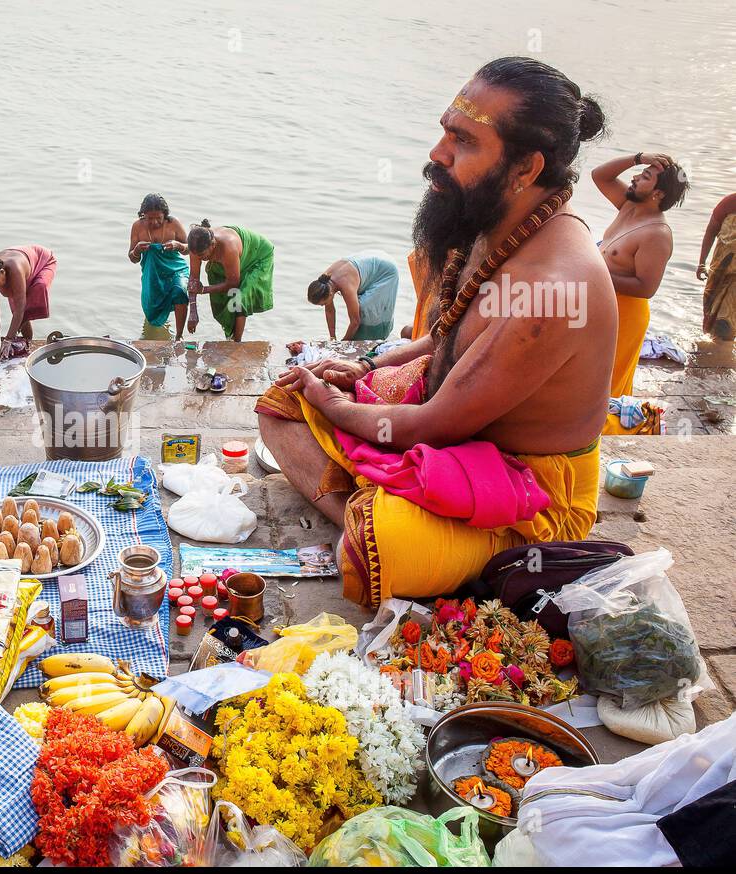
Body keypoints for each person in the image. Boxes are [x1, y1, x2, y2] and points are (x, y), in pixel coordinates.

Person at [256, 57, 615, 609]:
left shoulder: (555, 287)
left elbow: (434, 423)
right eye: (444, 131)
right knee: (281, 402)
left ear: (525, 167)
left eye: (463, 142)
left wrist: (335, 405)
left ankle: (380, 513)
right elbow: (450, 331)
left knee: (376, 544)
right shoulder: (494, 220)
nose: (436, 154)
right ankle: (388, 500)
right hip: (449, 425)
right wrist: (370, 368)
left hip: (526, 492)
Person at [591, 151, 688, 422]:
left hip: (626, 314)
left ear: (657, 194)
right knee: (584, 374)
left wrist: (595, 272)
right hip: (602, 304)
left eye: (645, 177)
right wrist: (639, 158)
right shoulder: (628, 206)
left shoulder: (656, 234)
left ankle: (600, 436)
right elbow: (600, 175)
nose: (634, 178)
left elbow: (646, 287)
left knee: (607, 382)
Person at [179, 220, 274, 341]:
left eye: (202, 255)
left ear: (213, 245)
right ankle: (229, 336)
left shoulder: (228, 247)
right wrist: (193, 313)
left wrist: (203, 290)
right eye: (197, 256)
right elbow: (193, 281)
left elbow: (233, 283)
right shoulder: (196, 248)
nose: (200, 259)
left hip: (257, 256)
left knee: (239, 298)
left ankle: (236, 343)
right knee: (222, 299)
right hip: (232, 260)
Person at [0, 245, 58, 359]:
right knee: (14, 305)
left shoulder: (16, 269)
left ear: (2, 272)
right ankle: (24, 341)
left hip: (43, 262)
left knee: (27, 305)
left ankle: (28, 343)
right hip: (19, 267)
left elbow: (20, 308)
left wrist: (8, 339)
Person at [128, 194, 189, 340]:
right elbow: (132, 258)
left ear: (165, 215)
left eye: (158, 218)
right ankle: (152, 334)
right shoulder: (137, 227)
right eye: (150, 218)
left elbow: (189, 249)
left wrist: (178, 245)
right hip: (152, 274)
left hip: (176, 270)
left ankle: (179, 336)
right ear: (143, 215)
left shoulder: (174, 223)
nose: (154, 222)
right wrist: (136, 250)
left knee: (180, 291)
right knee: (151, 309)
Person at [305, 251, 401, 341]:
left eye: (324, 303)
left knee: (364, 308)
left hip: (386, 272)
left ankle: (376, 338)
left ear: (330, 294)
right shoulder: (324, 282)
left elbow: (355, 321)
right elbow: (330, 311)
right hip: (374, 261)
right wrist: (333, 338)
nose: (323, 306)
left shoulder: (346, 285)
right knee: (357, 310)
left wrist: (344, 342)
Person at [698, 190, 736, 340]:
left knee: (724, 323)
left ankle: (721, 356)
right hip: (719, 271)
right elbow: (711, 231)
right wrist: (702, 262)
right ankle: (720, 355)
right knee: (711, 315)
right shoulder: (730, 202)